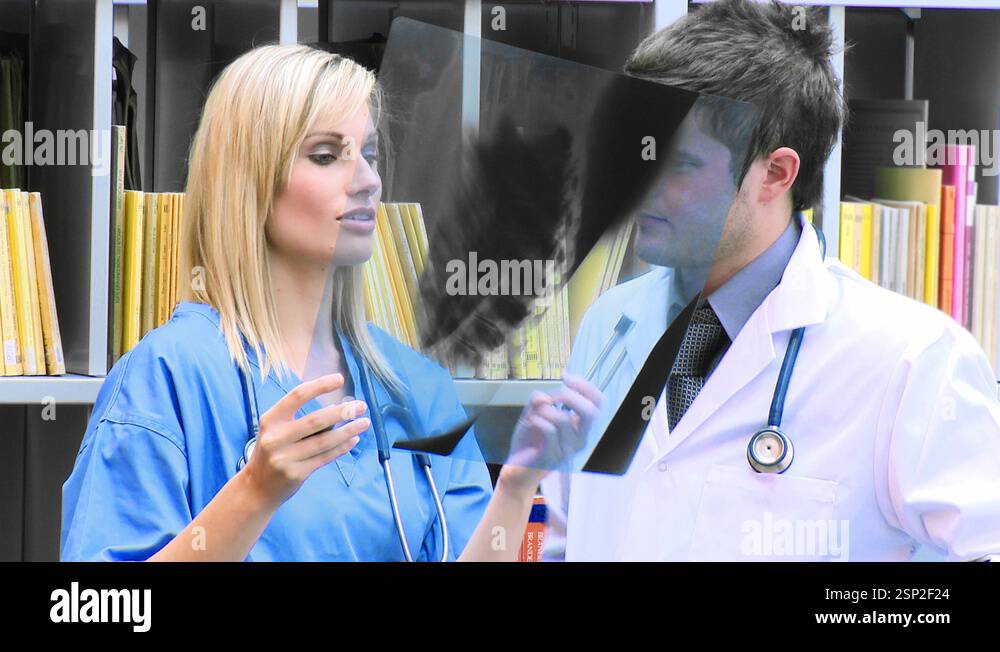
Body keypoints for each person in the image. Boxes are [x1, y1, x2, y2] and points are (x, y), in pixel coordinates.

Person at [61, 44, 600, 562]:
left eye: (367, 154)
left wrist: (515, 485)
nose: (368, 181)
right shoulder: (168, 378)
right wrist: (255, 492)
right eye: (326, 155)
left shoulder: (416, 388)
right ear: (249, 182)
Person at [542, 0, 1000, 561]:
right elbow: (565, 541)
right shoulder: (609, 325)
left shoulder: (913, 360)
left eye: (676, 163)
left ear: (776, 173)